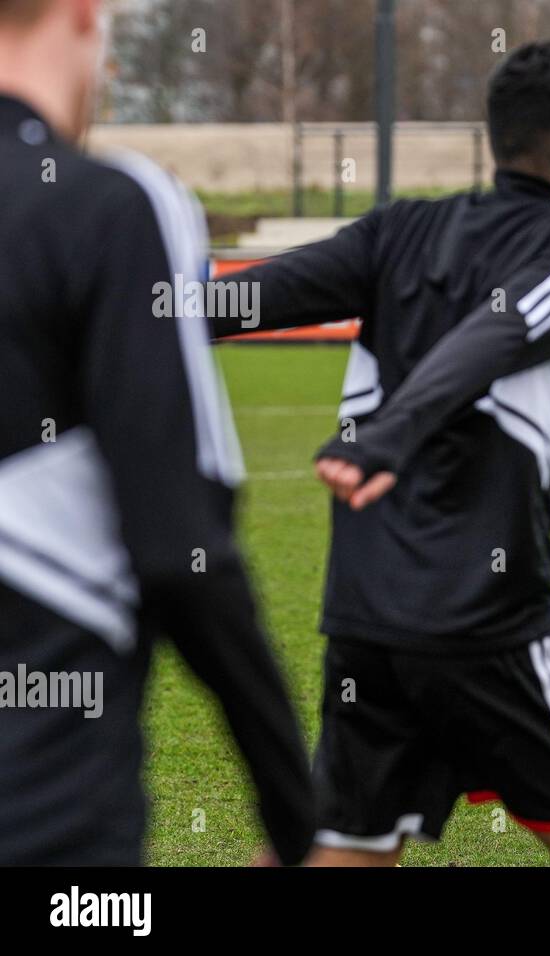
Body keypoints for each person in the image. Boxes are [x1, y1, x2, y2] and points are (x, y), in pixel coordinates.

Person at [211, 40, 550, 867]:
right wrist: (388, 435)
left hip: (368, 618)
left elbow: (243, 297)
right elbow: (500, 331)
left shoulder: (399, 228)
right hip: (487, 622)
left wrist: (113, 301)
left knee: (340, 851)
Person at [0, 0, 314, 865]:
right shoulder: (114, 206)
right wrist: (299, 815)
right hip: (49, 814)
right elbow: (183, 553)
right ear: (84, 15)